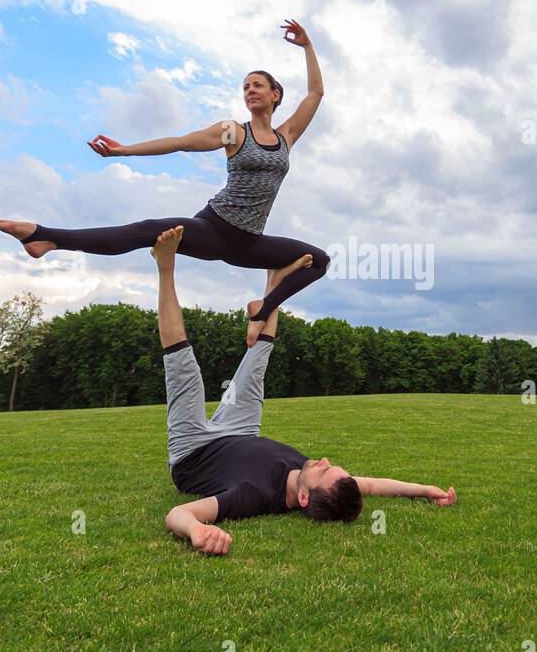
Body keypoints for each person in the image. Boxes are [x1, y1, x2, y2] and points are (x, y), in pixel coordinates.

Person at [0, 18, 328, 346]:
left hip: (248, 242)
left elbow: (315, 93)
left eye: (257, 85)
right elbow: (181, 141)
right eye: (245, 87)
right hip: (216, 228)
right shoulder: (234, 131)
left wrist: (307, 46)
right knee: (144, 230)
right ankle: (45, 237)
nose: (249, 91)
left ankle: (262, 310)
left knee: (319, 261)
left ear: (276, 95)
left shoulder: (287, 136)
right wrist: (125, 151)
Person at [149, 226, 457, 556]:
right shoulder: (314, 479)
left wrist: (197, 529)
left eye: (323, 470)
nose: (322, 460)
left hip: (193, 452)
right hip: (241, 433)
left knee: (184, 367)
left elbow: (178, 513)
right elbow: (371, 485)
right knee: (257, 365)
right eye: (331, 465)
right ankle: (273, 289)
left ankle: (165, 266)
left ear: (305, 498)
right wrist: (425, 490)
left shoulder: (253, 495)